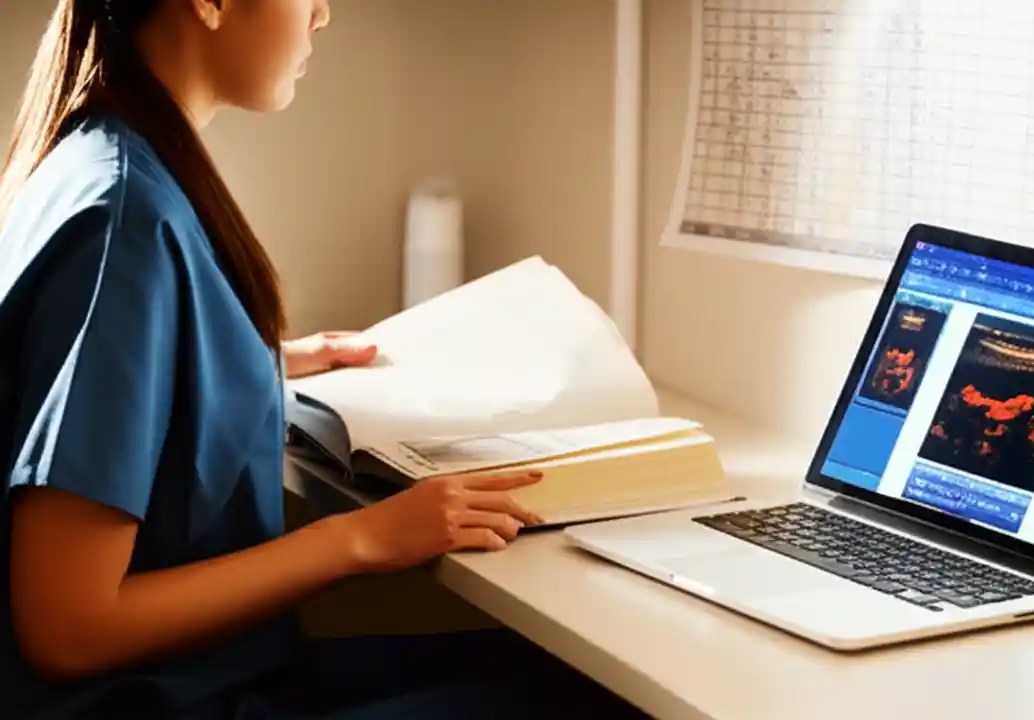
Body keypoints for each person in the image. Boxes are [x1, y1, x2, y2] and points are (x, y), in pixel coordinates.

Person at [0, 1, 646, 718]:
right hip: (158, 700)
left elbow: (96, 373)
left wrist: (252, 360)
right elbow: (68, 628)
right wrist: (359, 538)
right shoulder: (128, 220)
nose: (323, 15)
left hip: (208, 676)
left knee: (551, 675)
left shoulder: (103, 155)